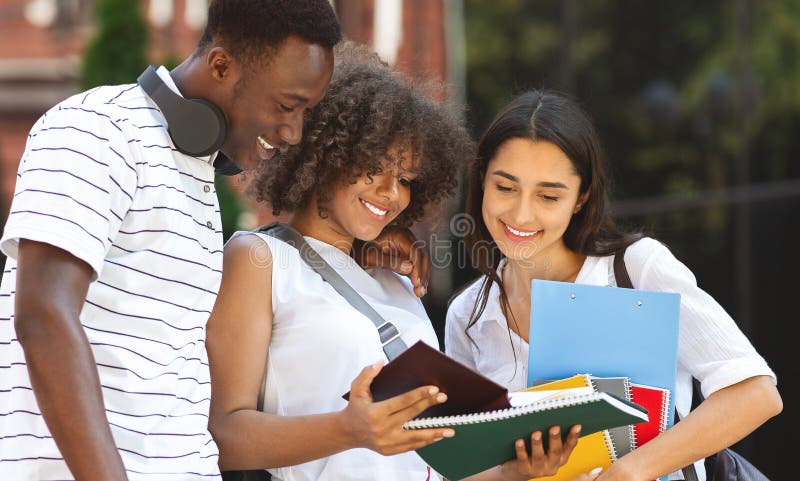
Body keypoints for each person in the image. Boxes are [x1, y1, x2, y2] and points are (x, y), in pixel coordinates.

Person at [0, 1, 343, 480]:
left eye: (306, 111)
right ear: (222, 65)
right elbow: (43, 315)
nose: (293, 131)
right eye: (287, 106)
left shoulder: (195, 174)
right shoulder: (98, 129)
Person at [206, 44, 579, 481]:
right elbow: (222, 436)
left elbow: (429, 458)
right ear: (325, 153)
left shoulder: (395, 279)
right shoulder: (257, 260)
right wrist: (348, 430)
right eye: (373, 167)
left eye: (404, 179)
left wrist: (514, 472)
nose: (391, 192)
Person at [445, 89, 783, 481]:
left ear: (580, 198)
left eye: (548, 196)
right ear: (482, 180)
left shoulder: (634, 270)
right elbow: (465, 470)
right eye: (505, 188)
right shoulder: (469, 315)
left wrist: (631, 470)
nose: (521, 213)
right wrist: (514, 473)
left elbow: (756, 393)